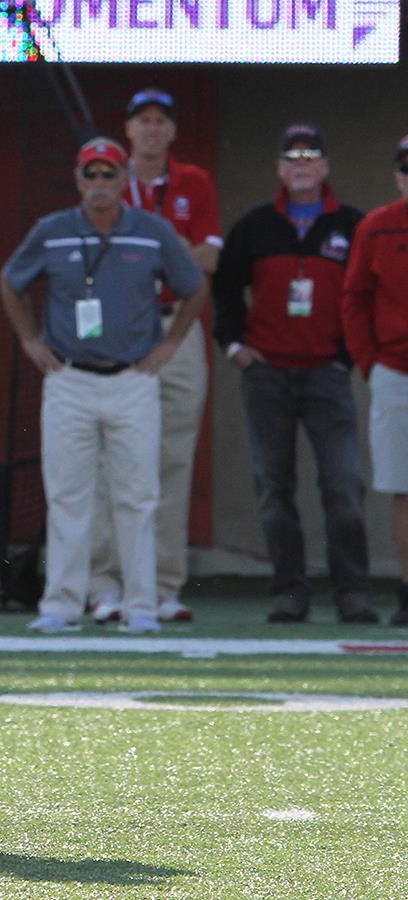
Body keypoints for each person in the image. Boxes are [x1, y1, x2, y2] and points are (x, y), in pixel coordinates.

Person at [1, 138, 207, 635]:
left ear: (123, 180)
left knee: (137, 494)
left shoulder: (151, 231)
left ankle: (141, 607)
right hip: (68, 378)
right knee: (69, 494)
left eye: (108, 175)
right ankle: (62, 605)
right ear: (78, 180)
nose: (99, 185)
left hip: (134, 378)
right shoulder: (52, 232)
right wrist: (31, 340)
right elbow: (11, 280)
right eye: (90, 175)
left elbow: (195, 286)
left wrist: (169, 346)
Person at [215, 124, 373, 624]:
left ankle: (353, 593)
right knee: (273, 486)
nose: (301, 164)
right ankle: (289, 591)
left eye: (311, 156)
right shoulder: (255, 226)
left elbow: (371, 294)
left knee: (344, 486)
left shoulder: (353, 225)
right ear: (280, 169)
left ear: (325, 167)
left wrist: (348, 357)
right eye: (292, 157)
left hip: (327, 376)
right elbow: (223, 290)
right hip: (267, 376)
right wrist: (235, 346)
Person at [87, 88, 224, 624]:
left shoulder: (194, 182)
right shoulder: (106, 177)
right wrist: (167, 253)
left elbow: (208, 258)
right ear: (129, 129)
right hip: (119, 330)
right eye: (141, 120)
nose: (151, 129)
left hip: (177, 328)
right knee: (108, 456)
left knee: (173, 459)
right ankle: (106, 585)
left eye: (160, 121)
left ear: (171, 131)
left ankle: (164, 585)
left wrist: (144, 252)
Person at [343, 133, 408, 627]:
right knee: (402, 489)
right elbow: (355, 300)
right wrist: (370, 363)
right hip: (396, 373)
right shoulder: (377, 227)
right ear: (396, 173)